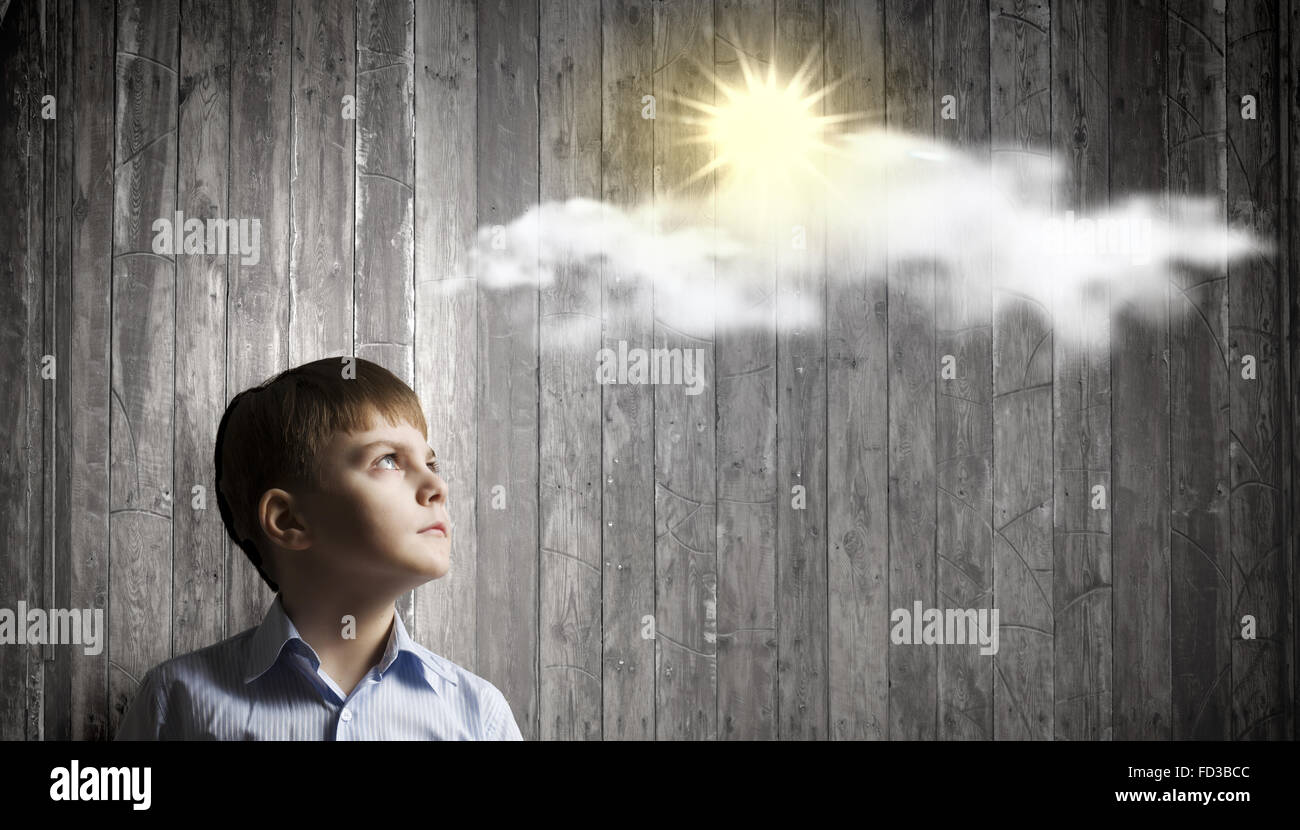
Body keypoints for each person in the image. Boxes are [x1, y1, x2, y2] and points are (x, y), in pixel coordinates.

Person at [116, 357, 522, 740]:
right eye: (387, 461)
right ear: (288, 520)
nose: (438, 488)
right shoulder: (175, 703)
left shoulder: (479, 715)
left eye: (431, 464)